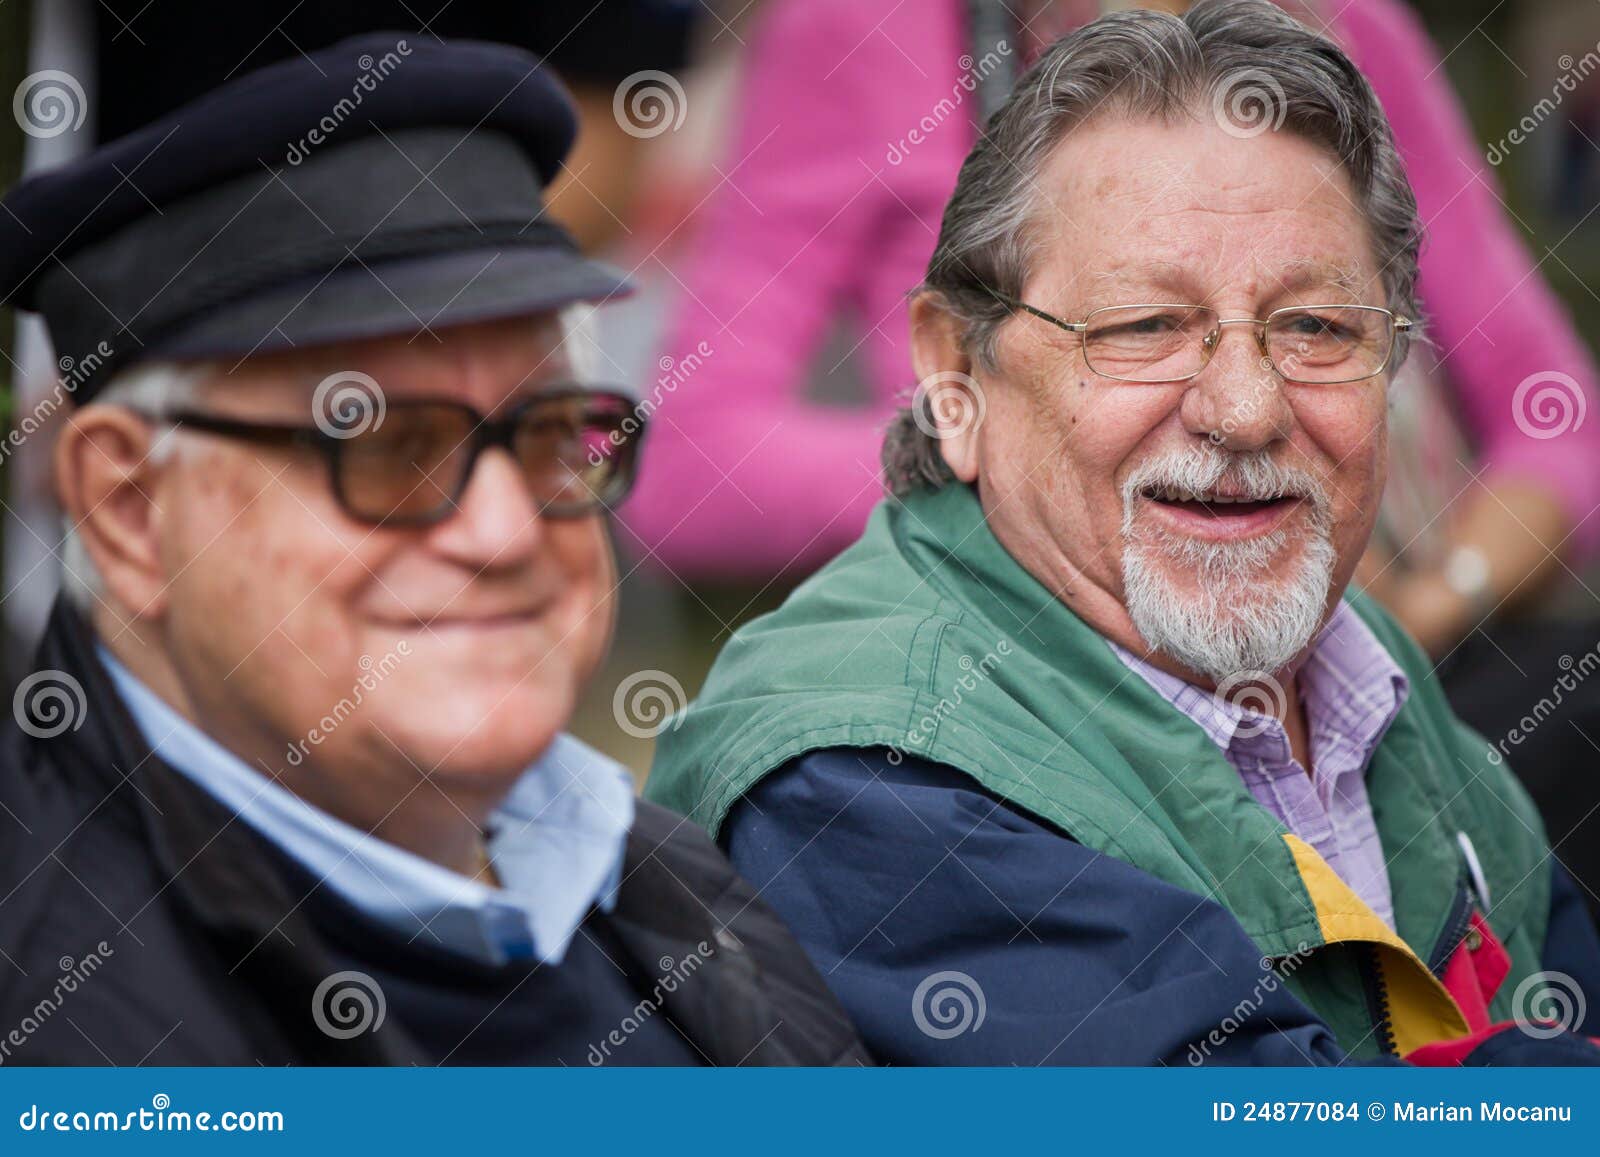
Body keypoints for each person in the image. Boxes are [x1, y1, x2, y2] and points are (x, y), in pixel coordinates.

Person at [647, 2, 1600, 1066]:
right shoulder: (865, 774)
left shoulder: (1365, 672)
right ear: (952, 370)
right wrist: (1049, 464)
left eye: (1317, 327)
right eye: (1142, 326)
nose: (1245, 408)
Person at [0, 35, 867, 1067]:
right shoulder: (62, 1019)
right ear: (131, 507)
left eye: (547, 437)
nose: (504, 533)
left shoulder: (666, 880)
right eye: (385, 448)